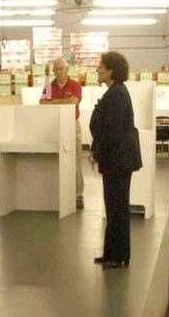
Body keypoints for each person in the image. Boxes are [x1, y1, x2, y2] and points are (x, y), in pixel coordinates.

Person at [88, 51, 142, 268]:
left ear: (110, 70)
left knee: (117, 208)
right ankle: (111, 253)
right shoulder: (114, 92)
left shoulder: (117, 95)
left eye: (101, 66)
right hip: (114, 159)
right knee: (113, 207)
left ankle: (119, 255)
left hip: (118, 160)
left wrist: (97, 151)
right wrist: (95, 149)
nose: (97, 69)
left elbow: (112, 132)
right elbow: (103, 129)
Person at [40, 56, 84, 209]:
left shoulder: (75, 85)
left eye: (61, 69)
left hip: (72, 125)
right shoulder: (49, 86)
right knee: (55, 160)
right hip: (53, 127)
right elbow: (43, 103)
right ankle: (58, 194)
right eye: (56, 69)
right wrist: (62, 102)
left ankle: (78, 195)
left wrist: (53, 102)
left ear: (67, 70)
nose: (59, 72)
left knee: (76, 161)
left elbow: (74, 102)